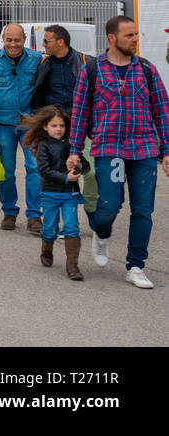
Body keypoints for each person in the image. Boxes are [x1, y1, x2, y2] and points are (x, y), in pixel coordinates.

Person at [67, 15, 169, 289]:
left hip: (145, 149)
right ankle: (101, 234)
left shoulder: (147, 70)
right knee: (109, 206)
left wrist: (167, 149)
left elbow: (162, 110)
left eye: (136, 34)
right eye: (129, 35)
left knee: (144, 210)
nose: (135, 39)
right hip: (109, 148)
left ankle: (136, 266)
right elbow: (79, 114)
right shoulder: (92, 70)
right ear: (112, 38)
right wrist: (75, 150)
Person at [0, 23, 44, 233]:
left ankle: (34, 216)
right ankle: (9, 212)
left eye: (17, 40)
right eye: (9, 40)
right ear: (3, 40)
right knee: (6, 171)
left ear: (24, 40)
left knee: (34, 168)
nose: (13, 44)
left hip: (30, 123)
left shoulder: (37, 59)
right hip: (4, 124)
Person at [28, 25, 95, 226]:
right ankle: (55, 219)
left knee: (91, 171)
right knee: (54, 172)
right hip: (55, 125)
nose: (43, 44)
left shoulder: (86, 63)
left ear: (61, 42)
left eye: (46, 40)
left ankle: (92, 209)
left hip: (83, 124)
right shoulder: (44, 64)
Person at [26, 105, 88, 279]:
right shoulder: (43, 146)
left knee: (71, 227)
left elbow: (86, 166)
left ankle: (72, 265)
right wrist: (66, 177)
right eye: (54, 126)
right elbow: (44, 170)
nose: (59, 129)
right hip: (50, 195)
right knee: (50, 229)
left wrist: (79, 168)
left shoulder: (72, 145)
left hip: (71, 195)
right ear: (45, 127)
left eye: (61, 126)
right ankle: (47, 249)